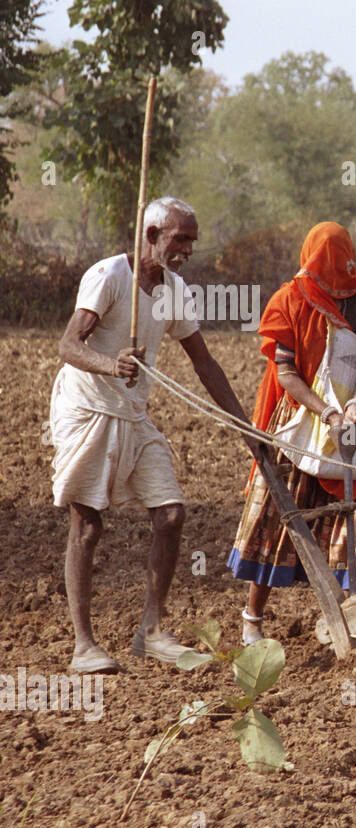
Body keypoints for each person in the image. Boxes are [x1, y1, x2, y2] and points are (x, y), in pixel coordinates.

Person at [52, 196, 260, 673]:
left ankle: (151, 631)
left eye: (191, 240)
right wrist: (112, 363)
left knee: (170, 515)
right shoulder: (108, 276)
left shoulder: (175, 290)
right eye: (179, 238)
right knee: (88, 524)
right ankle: (84, 645)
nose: (187, 248)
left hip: (134, 412)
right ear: (150, 236)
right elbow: (67, 345)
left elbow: (203, 361)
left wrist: (244, 427)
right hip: (87, 408)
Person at [227, 221, 356, 644]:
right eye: (327, 267)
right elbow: (285, 372)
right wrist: (326, 413)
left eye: (341, 265)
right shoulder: (291, 298)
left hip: (348, 420)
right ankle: (252, 619)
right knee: (277, 513)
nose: (334, 277)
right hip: (301, 419)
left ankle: (350, 609)